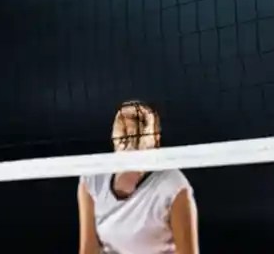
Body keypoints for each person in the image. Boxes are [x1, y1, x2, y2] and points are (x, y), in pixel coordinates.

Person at [77, 100, 199, 254]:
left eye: (138, 132)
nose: (131, 138)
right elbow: (88, 250)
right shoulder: (93, 178)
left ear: (155, 140)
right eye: (125, 134)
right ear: (115, 137)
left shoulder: (173, 186)